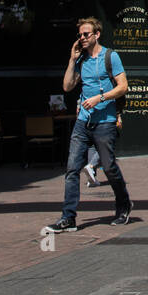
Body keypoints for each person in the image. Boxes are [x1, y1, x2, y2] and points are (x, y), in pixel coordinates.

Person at [44, 17, 132, 231]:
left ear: (97, 34)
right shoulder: (81, 59)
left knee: (109, 167)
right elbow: (67, 87)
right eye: (80, 35)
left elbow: (123, 87)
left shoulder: (111, 56)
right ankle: (68, 218)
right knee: (72, 169)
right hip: (83, 121)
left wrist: (100, 99)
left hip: (106, 121)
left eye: (86, 34)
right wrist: (72, 60)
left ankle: (123, 204)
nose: (82, 38)